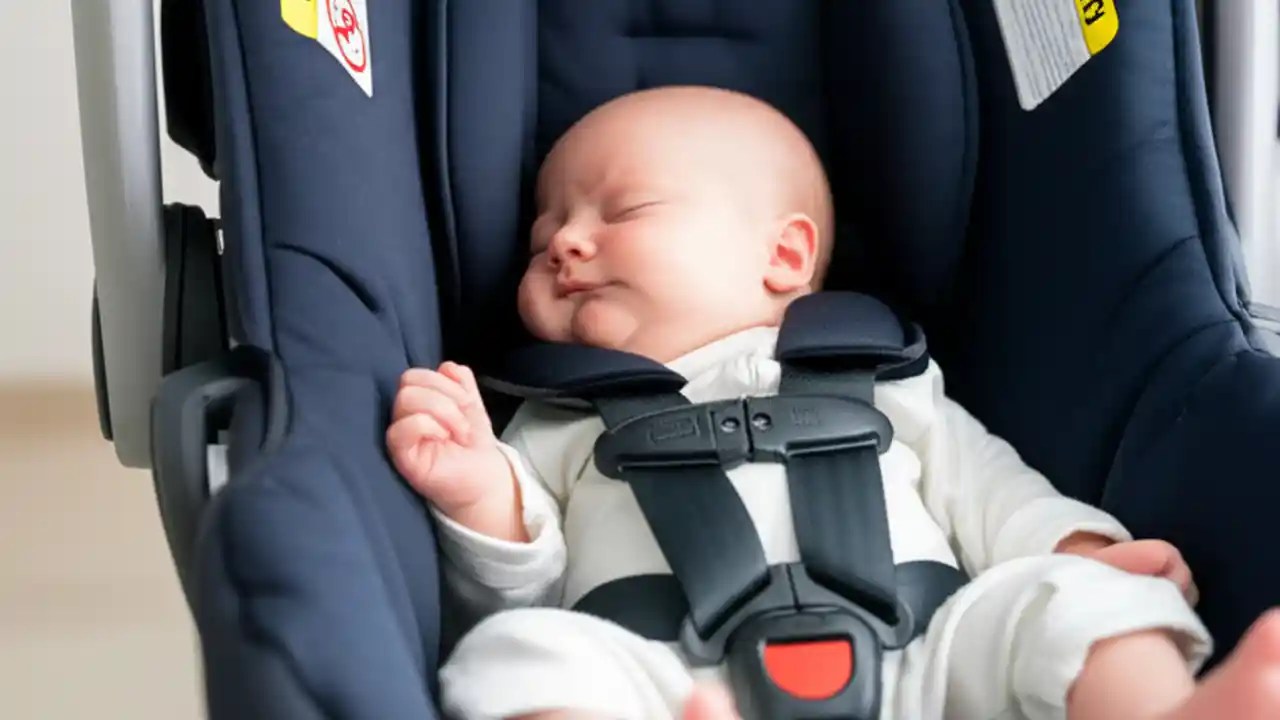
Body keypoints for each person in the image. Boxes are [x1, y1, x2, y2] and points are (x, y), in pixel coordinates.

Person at [387, 86, 1280, 719]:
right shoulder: (555, 418)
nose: (565, 244)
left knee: (1075, 602)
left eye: (624, 210)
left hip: (926, 665)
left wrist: (1078, 547)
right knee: (521, 657)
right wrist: (477, 493)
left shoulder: (885, 382)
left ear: (784, 257)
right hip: (672, 680)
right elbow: (518, 586)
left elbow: (986, 490)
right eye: (543, 236)